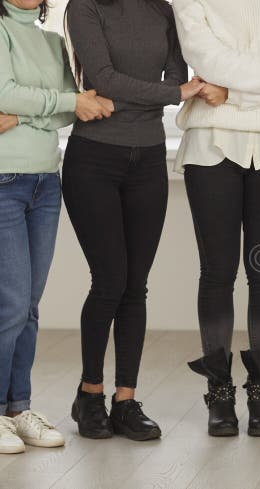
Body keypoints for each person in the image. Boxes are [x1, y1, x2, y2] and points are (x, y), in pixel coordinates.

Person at [172, 0, 260, 438]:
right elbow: (210, 61)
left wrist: (233, 92)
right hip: (211, 142)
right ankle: (219, 394)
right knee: (217, 272)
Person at [64, 0, 200, 441]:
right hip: (94, 160)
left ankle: (125, 400)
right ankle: (90, 393)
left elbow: (178, 71)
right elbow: (103, 80)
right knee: (109, 281)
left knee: (135, 284)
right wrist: (174, 94)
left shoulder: (161, 8)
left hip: (148, 160)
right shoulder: (84, 7)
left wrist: (166, 90)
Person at [0, 0, 109, 454]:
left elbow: (71, 112)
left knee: (29, 306)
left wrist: (24, 116)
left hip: (46, 182)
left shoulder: (51, 41)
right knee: (9, 304)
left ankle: (17, 409)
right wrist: (60, 103)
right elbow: (5, 92)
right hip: (4, 181)